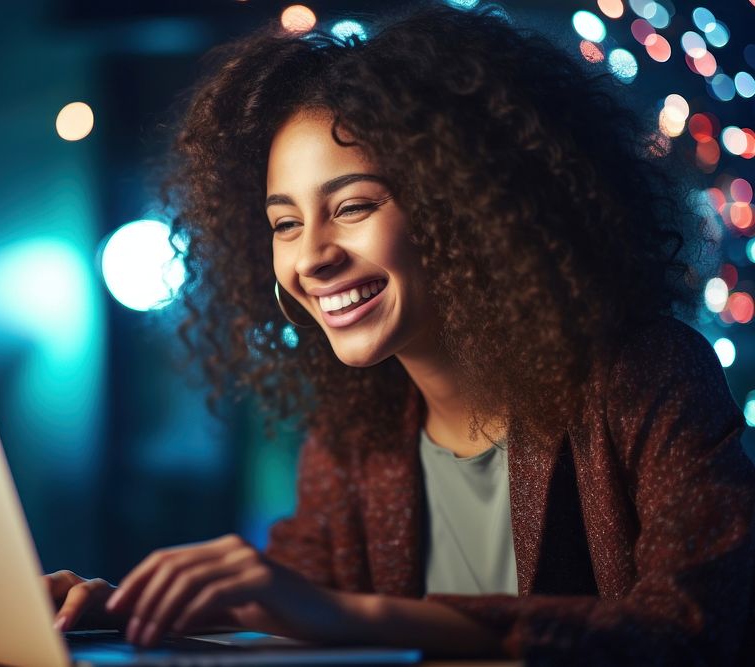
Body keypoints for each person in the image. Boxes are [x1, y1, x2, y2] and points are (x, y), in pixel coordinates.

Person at [44, 2, 755, 662]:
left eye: (352, 206)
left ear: (467, 204)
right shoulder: (357, 435)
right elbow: (292, 608)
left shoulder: (643, 375)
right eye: (285, 223)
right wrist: (129, 609)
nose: (312, 255)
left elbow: (695, 625)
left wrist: (372, 617)